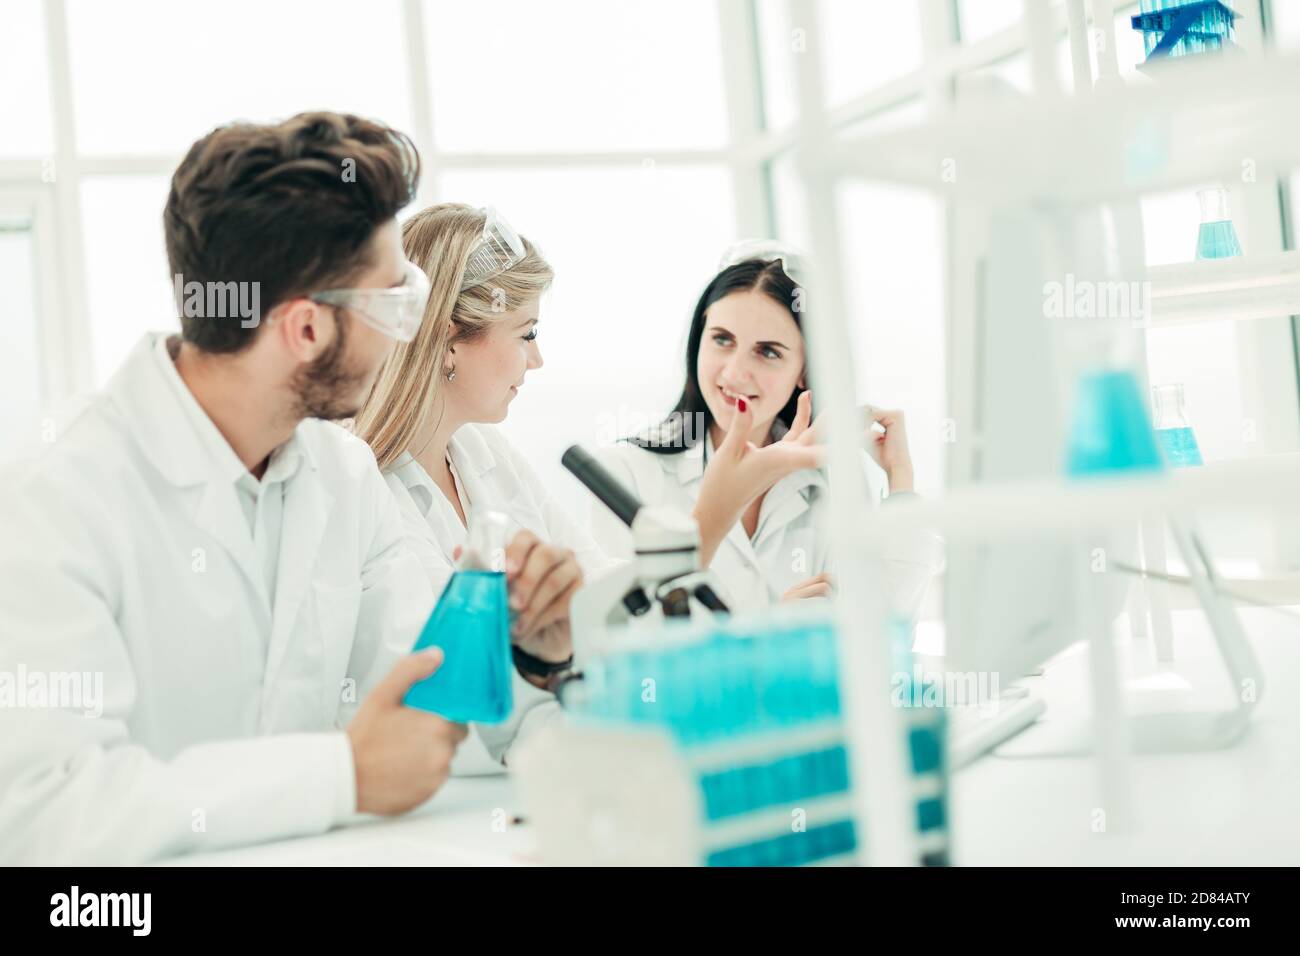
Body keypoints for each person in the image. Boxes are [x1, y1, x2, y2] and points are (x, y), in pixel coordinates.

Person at [0, 112, 467, 865]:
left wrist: (526, 644)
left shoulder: (341, 475)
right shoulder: (51, 501)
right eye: (393, 304)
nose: (401, 337)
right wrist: (337, 775)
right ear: (306, 330)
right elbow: (44, 812)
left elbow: (420, 695)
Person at [591, 245, 941, 618]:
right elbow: (619, 636)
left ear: (806, 371)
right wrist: (768, 633)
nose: (734, 374)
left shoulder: (831, 484)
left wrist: (901, 484)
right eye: (722, 339)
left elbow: (882, 636)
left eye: (768, 352)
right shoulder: (624, 474)